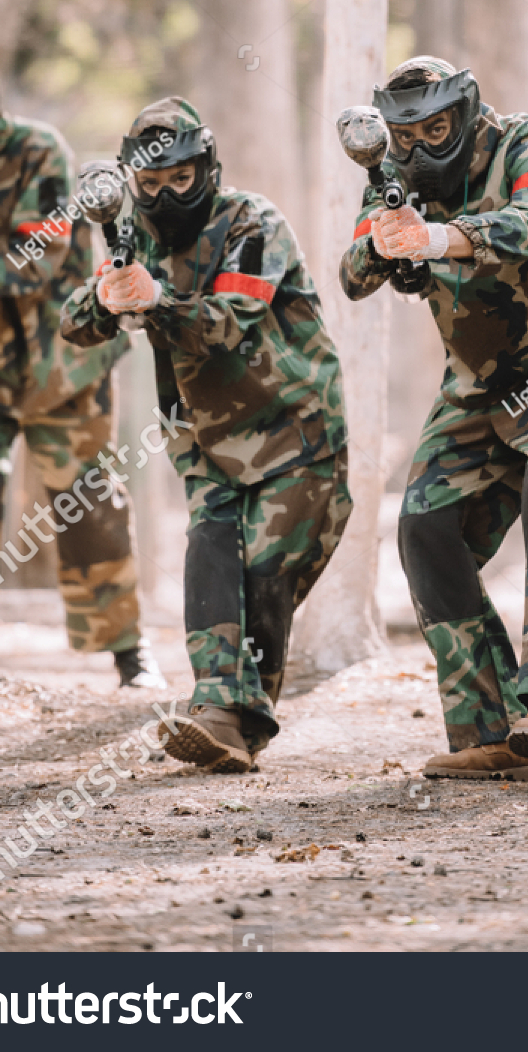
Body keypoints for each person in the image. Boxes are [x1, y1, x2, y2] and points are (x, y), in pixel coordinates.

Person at [340, 57, 528, 779]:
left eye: (433, 127)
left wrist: (436, 240)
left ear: (465, 112)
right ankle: (491, 730)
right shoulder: (395, 176)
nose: (416, 144)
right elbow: (352, 275)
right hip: (481, 380)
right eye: (403, 133)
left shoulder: (525, 141)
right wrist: (386, 240)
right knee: (423, 527)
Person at [61, 97, 349, 772]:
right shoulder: (132, 236)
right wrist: (107, 298)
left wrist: (156, 299)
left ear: (207, 166)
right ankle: (219, 712)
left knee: (266, 574)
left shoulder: (252, 221)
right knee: (211, 551)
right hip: (205, 438)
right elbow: (75, 324)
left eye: (179, 179)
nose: (165, 195)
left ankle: (237, 721)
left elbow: (232, 321)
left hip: (295, 428)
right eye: (151, 184)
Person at [0, 45, 162, 687]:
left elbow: (30, 260)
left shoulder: (39, 149)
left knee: (86, 503)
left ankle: (127, 653)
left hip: (63, 367)